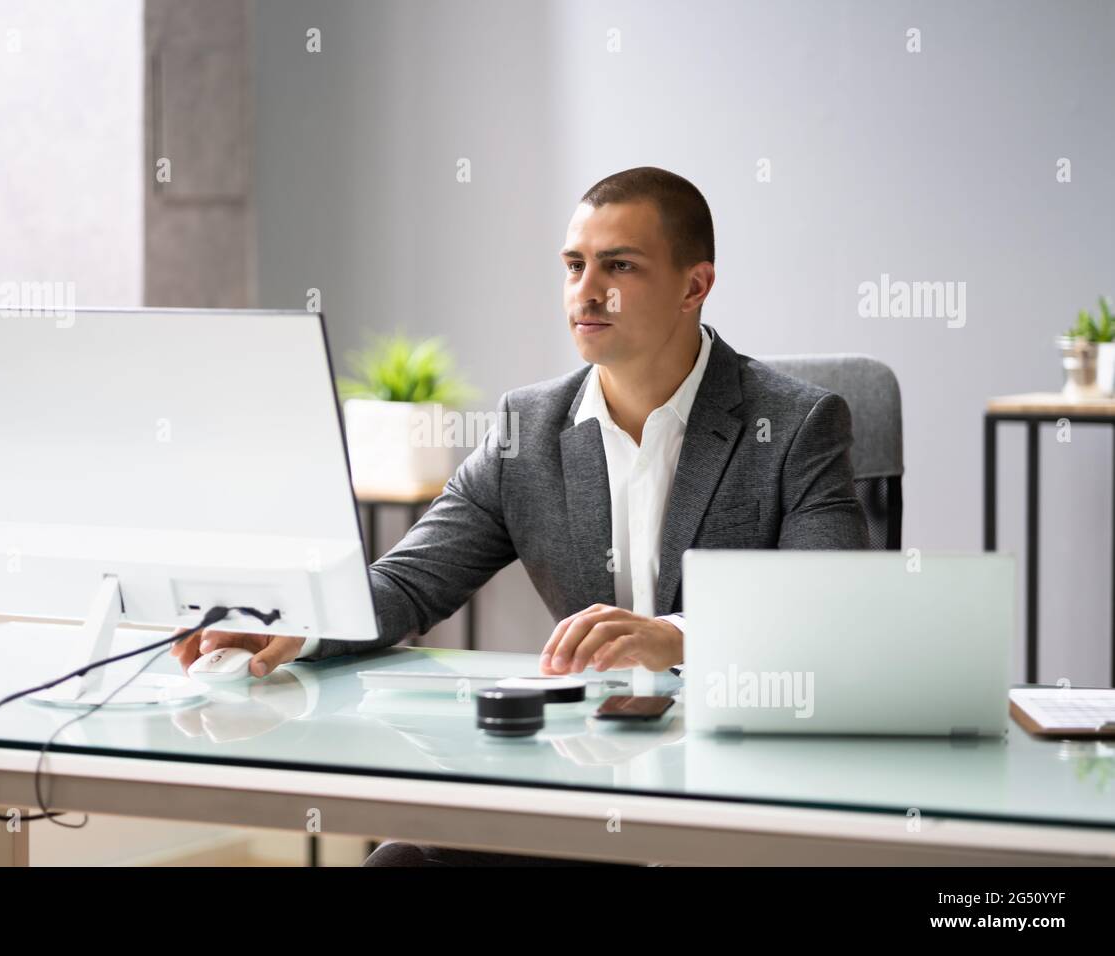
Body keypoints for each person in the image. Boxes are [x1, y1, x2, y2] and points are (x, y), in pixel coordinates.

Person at [171, 166, 870, 865]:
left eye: (618, 265)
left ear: (695, 286)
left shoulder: (797, 423)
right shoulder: (525, 430)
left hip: (734, 785)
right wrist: (290, 623)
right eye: (574, 266)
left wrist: (678, 637)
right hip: (582, 779)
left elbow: (827, 613)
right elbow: (410, 584)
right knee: (402, 860)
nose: (586, 293)